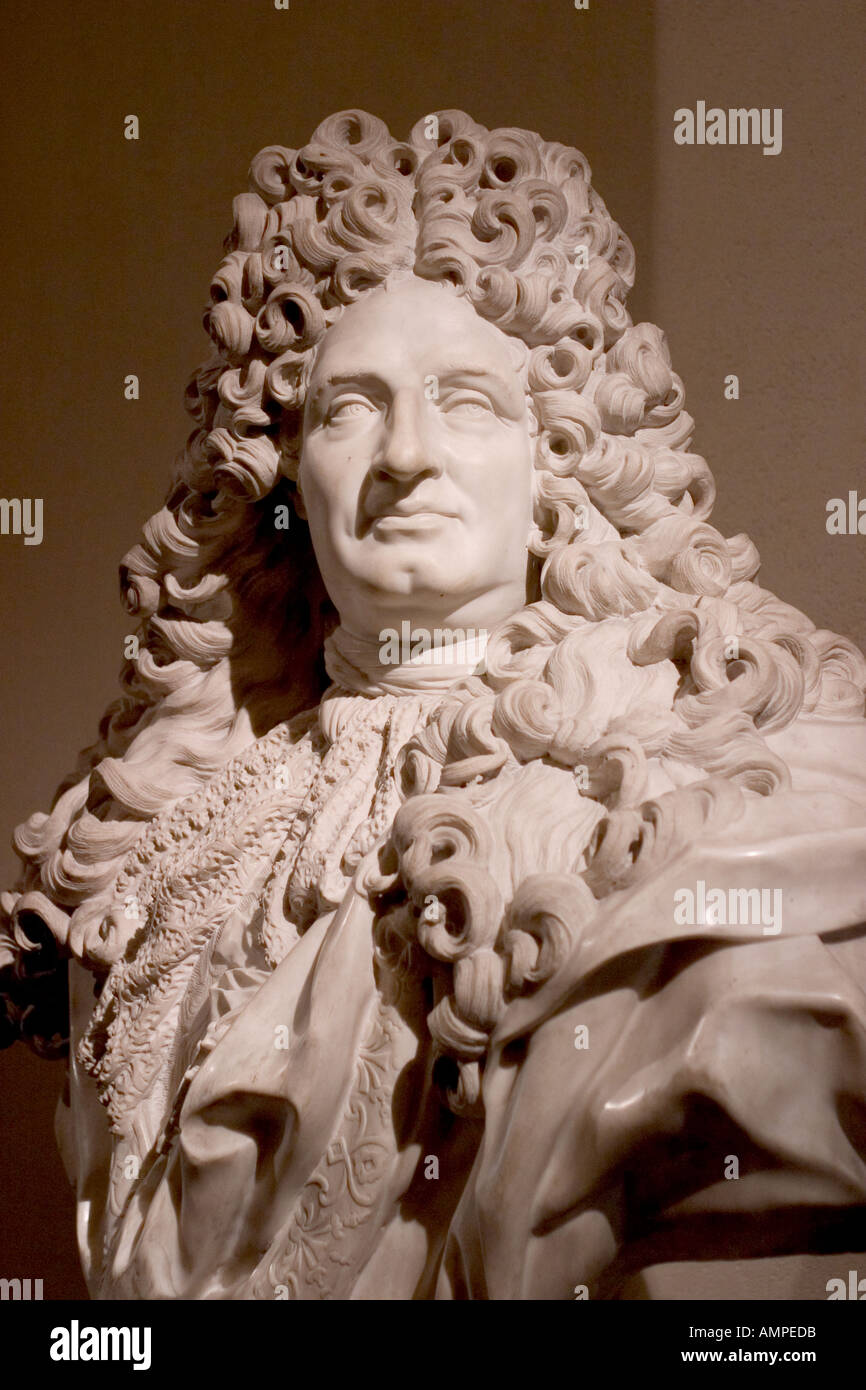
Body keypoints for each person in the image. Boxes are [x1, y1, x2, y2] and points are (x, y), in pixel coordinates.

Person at [3, 109, 866, 1300]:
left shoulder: (719, 793)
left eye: (466, 401)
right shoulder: (175, 830)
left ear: (555, 458)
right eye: (350, 408)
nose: (404, 452)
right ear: (281, 477)